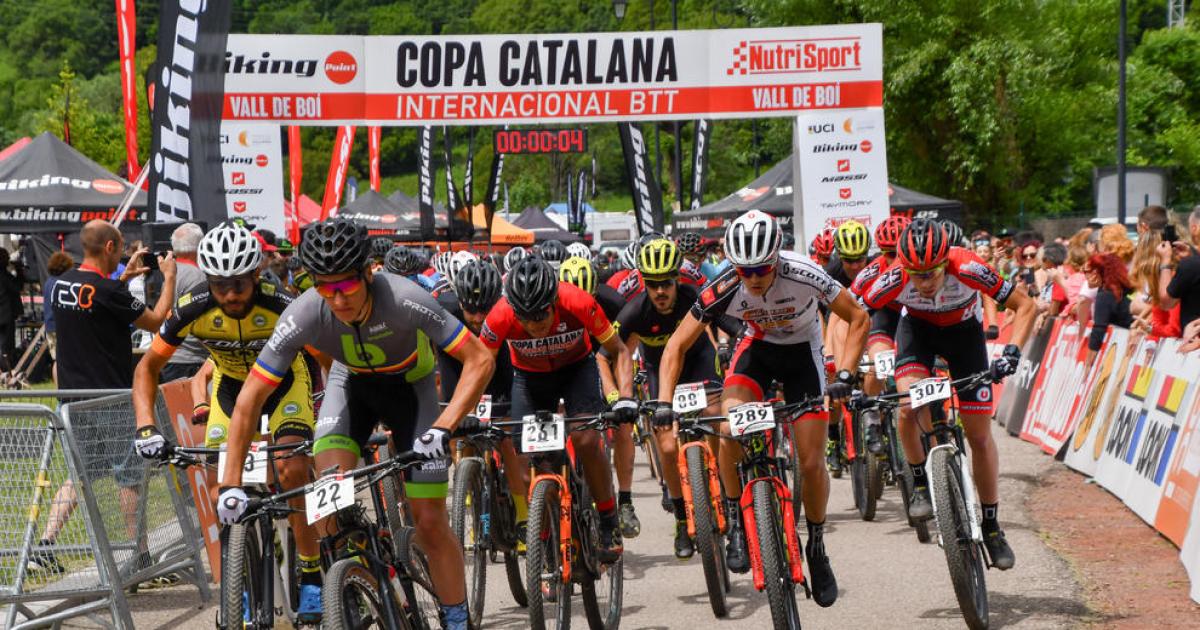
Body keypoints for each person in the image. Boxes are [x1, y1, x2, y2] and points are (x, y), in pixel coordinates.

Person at [217, 218, 495, 630]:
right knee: (326, 502)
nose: (337, 298)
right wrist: (230, 484)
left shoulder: (403, 298)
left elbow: (480, 359)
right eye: (324, 286)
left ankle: (456, 618)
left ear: (367, 272)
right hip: (352, 389)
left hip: (410, 391)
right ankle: (355, 582)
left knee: (430, 520)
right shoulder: (304, 312)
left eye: (345, 286)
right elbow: (248, 400)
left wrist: (446, 425)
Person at [657, 210, 869, 608]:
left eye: (762, 269)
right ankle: (737, 519)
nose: (753, 278)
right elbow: (675, 346)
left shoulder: (804, 272)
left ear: (778, 258)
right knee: (729, 428)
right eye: (745, 270)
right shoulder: (725, 284)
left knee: (810, 462)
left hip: (803, 355)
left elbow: (858, 316)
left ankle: (818, 548)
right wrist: (664, 404)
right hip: (756, 351)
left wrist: (846, 373)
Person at [130, 222, 324, 622]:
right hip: (230, 390)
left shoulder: (281, 302)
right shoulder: (194, 305)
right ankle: (242, 581)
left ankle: (309, 571)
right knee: (220, 489)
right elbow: (148, 368)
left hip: (285, 387)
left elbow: (324, 359)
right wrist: (146, 425)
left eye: (239, 284)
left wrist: (333, 411)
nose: (231, 295)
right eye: (220, 285)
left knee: (291, 470)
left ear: (256, 274)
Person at [861, 219, 1037, 572]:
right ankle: (921, 484)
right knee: (908, 407)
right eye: (915, 274)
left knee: (980, 437)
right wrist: (852, 367)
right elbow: (854, 315)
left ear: (945, 263)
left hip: (964, 337)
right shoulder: (894, 277)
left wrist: (1014, 351)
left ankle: (991, 527)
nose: (923, 282)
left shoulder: (969, 266)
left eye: (931, 274)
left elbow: (1026, 307)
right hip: (918, 334)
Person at [32, 220, 177, 576]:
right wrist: (170, 276)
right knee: (129, 477)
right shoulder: (109, 291)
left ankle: (46, 543)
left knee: (80, 473)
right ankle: (139, 555)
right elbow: (157, 320)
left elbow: (94, 298)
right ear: (111, 247)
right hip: (111, 398)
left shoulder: (59, 285)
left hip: (73, 399)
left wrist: (123, 278)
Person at [480, 256, 636, 563]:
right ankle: (547, 524)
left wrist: (626, 397)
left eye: (542, 315)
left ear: (555, 301)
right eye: (527, 318)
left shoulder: (577, 301)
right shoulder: (499, 316)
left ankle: (607, 520)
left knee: (587, 440)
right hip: (529, 379)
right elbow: (479, 365)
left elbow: (619, 350)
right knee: (522, 457)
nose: (536, 325)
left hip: (576, 370)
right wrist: (471, 412)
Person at [610, 238, 730, 558]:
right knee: (665, 444)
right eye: (653, 285)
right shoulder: (635, 310)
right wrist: (622, 395)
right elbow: (615, 351)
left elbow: (727, 321)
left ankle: (720, 479)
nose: (660, 291)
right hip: (658, 371)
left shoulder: (695, 297)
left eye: (666, 283)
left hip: (698, 361)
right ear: (644, 283)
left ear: (677, 279)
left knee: (713, 414)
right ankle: (680, 518)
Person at [442, 259, 530, 538]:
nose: (478, 319)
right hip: (458, 365)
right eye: (471, 311)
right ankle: (469, 491)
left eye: (485, 311)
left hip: (501, 368)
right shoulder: (446, 313)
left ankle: (523, 516)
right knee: (457, 428)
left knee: (504, 438)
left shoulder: (508, 315)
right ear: (459, 303)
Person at [848, 214, 911, 453]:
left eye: (900, 252)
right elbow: (847, 304)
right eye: (890, 254)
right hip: (884, 316)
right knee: (880, 363)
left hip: (912, 317)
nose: (896, 259)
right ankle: (872, 416)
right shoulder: (873, 269)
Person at [159, 223, 209, 383]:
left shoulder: (170, 272)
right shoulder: (198, 276)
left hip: (170, 355)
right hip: (191, 360)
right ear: (200, 245)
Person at [1084, 253, 1134, 365]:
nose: (1086, 276)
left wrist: (1089, 362)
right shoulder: (1118, 291)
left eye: (1088, 271)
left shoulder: (1105, 295)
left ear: (1096, 273)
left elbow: (1099, 328)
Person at [1158, 207, 1200, 331]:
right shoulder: (1192, 263)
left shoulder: (1190, 265)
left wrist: (1165, 261)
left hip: (1193, 340)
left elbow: (1166, 302)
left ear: (1194, 228)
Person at [42, 251, 74, 375]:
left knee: (57, 360)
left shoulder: (48, 282)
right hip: (62, 327)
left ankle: (59, 391)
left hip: (50, 326)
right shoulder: (64, 283)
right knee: (66, 360)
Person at [0, 247, 24, 370]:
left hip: (5, 315)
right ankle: (6, 371)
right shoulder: (3, 275)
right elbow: (17, 287)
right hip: (4, 316)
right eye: (6, 258)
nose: (8, 260)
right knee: (6, 346)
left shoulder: (4, 274)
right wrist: (19, 270)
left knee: (4, 345)